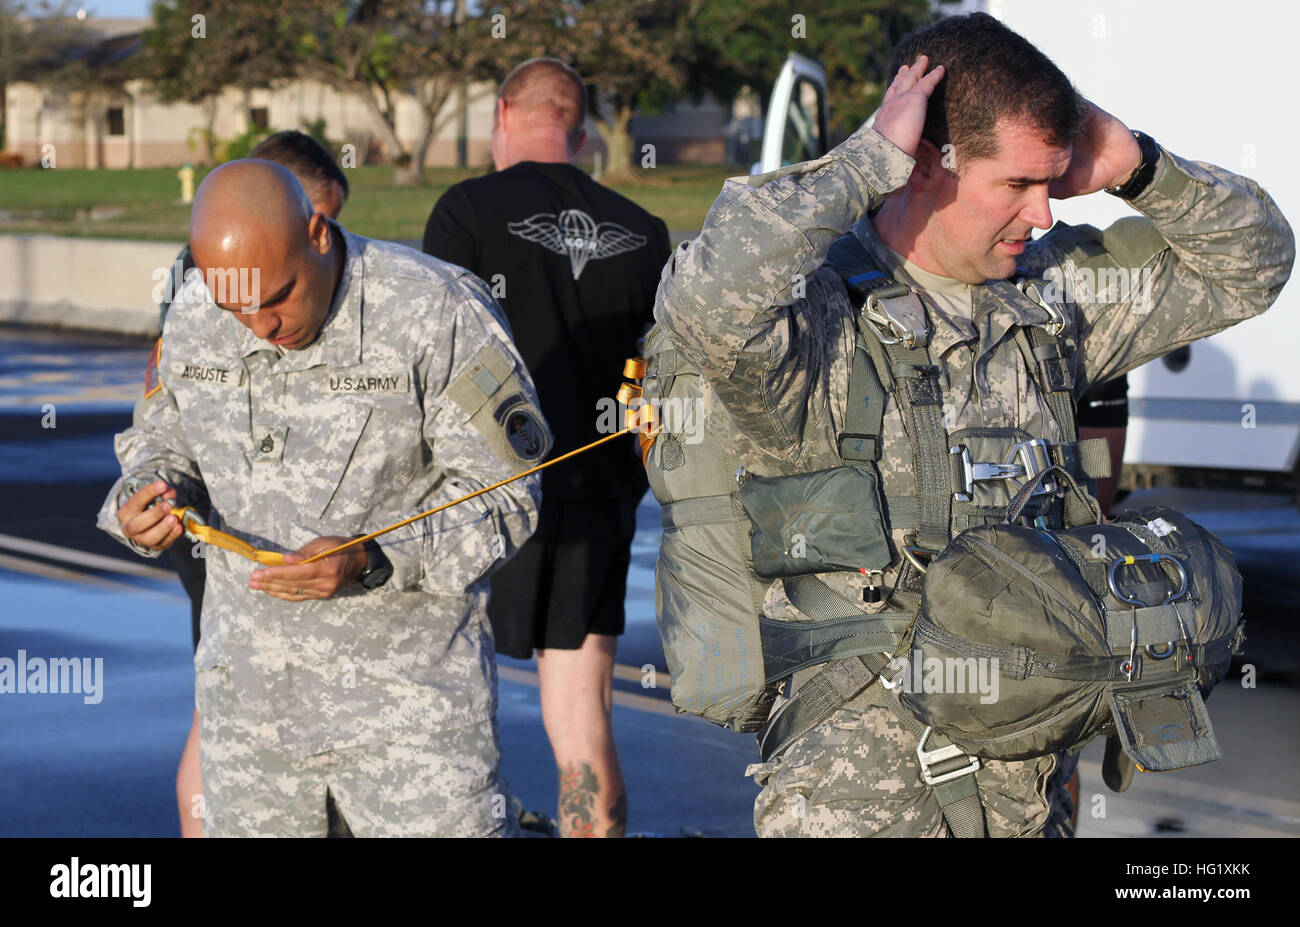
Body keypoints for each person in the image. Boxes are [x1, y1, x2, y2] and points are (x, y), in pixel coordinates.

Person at [652, 12, 1293, 837]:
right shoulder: (815, 321)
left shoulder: (1053, 296)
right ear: (926, 163)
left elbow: (1256, 263)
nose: (1045, 215)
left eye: (1054, 182)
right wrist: (861, 161)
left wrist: (1137, 164)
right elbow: (707, 295)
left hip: (1033, 780)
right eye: (1019, 184)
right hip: (863, 791)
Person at [99, 159, 550, 836]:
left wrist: (374, 555)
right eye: (236, 306)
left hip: (410, 722)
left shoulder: (435, 309)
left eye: (277, 296)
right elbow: (160, 440)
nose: (257, 324)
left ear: (317, 232)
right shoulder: (196, 307)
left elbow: (509, 493)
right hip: (254, 725)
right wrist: (148, 493)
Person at [422, 57, 670, 838]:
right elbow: (658, 378)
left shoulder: (465, 210)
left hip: (483, 497)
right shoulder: (643, 229)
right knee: (581, 711)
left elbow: (436, 362)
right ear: (584, 131)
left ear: (503, 114)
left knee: (450, 709)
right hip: (596, 496)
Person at [148, 130, 351, 837]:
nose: (328, 241)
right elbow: (162, 392)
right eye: (319, 220)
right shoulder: (202, 279)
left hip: (257, 513)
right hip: (219, 519)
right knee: (224, 702)